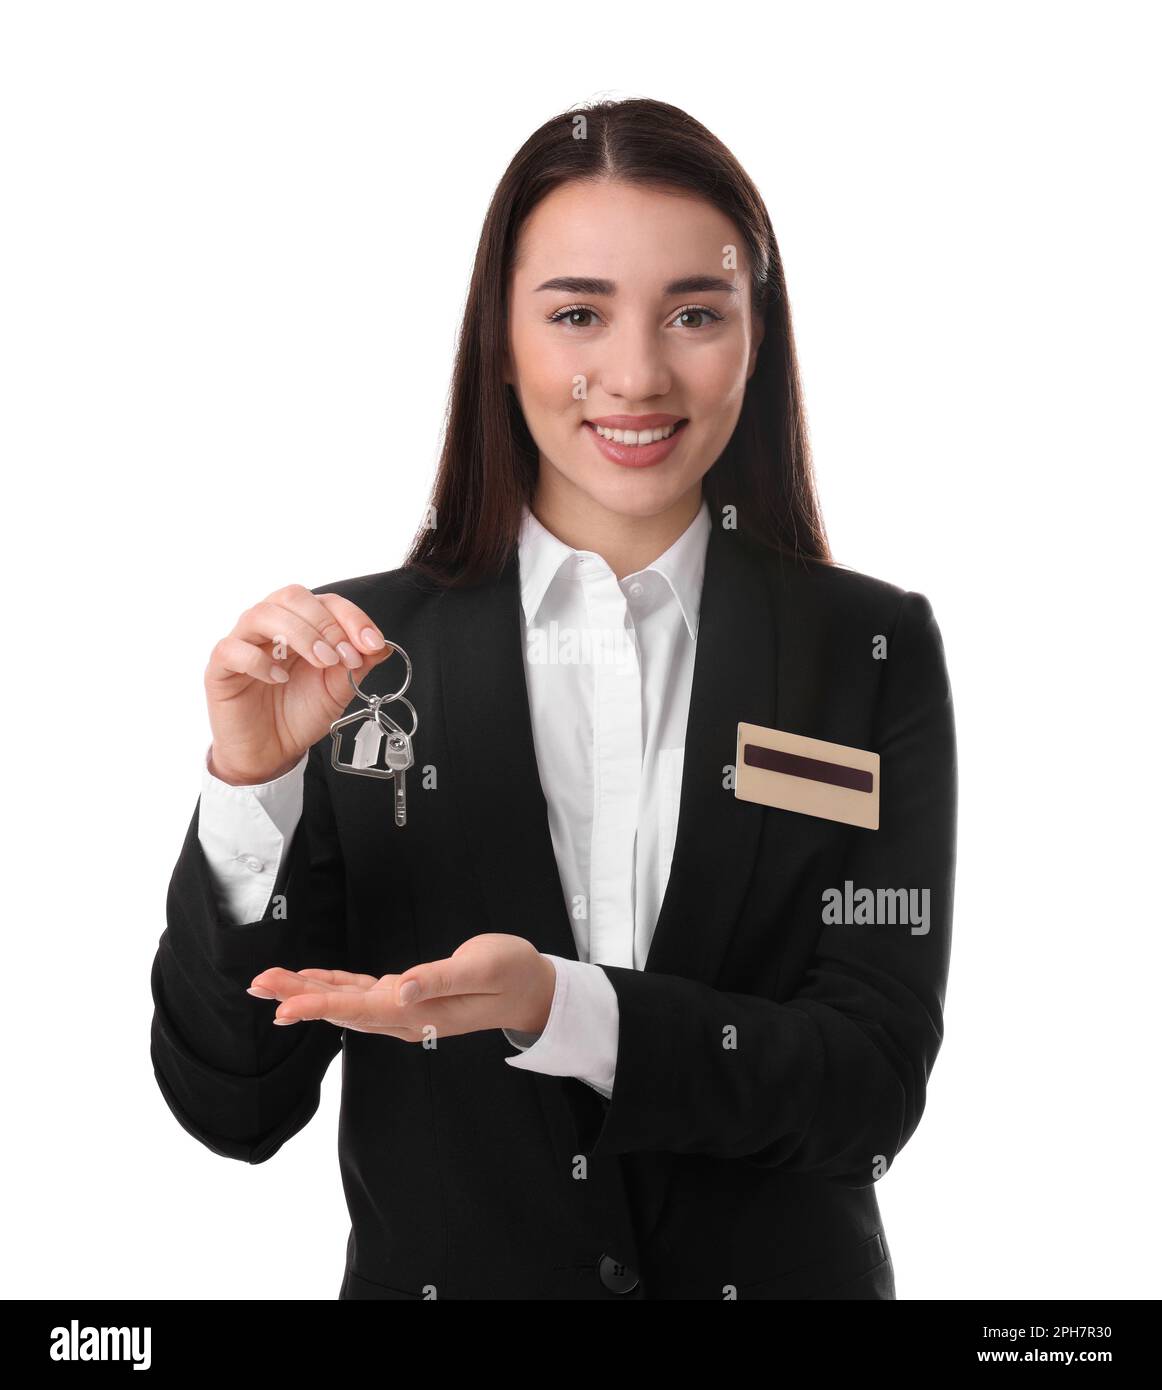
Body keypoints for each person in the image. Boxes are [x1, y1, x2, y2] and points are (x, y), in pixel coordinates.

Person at [149, 96, 957, 1300]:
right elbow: (233, 1104)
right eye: (578, 312)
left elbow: (870, 1089)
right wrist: (251, 793)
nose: (634, 374)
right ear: (500, 337)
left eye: (695, 312)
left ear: (756, 337)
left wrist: (565, 1010)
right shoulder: (355, 661)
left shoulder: (866, 649)